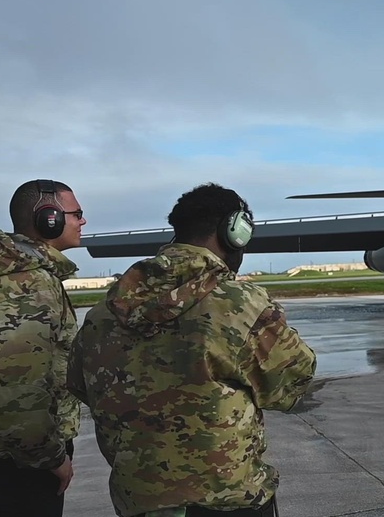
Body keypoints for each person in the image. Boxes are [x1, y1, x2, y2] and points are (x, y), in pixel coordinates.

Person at [69, 182, 317, 517]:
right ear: (234, 234)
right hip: (226, 501)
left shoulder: (104, 312)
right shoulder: (241, 304)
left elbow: (79, 385)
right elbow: (293, 381)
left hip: (139, 501)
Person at [0, 179, 87, 517]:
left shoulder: (4, 272)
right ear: (48, 218)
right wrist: (48, 458)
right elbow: (14, 383)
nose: (83, 220)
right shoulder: (28, 282)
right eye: (77, 213)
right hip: (11, 463)